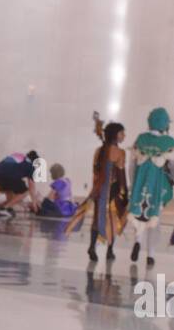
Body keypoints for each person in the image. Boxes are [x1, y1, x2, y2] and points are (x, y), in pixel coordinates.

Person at [66, 115, 128, 263]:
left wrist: (96, 190)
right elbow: (121, 175)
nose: (124, 135)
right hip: (112, 192)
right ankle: (110, 251)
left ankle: (92, 246)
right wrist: (125, 193)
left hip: (99, 191)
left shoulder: (98, 151)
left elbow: (96, 172)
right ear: (115, 135)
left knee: (97, 219)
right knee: (113, 221)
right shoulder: (120, 153)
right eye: (122, 133)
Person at [126, 107, 174, 268]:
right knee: (154, 217)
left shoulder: (140, 139)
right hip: (159, 186)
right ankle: (150, 255)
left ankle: (138, 241)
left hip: (141, 183)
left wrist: (133, 182)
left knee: (139, 213)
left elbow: (132, 164)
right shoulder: (169, 142)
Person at [0, 150, 42, 218]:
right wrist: (34, 204)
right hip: (9, 174)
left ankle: (5, 209)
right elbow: (31, 188)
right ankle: (5, 208)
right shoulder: (31, 165)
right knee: (25, 192)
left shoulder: (18, 155)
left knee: (10, 191)